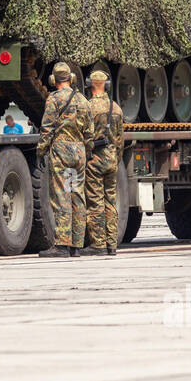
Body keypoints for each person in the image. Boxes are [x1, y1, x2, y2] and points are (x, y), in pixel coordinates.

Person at [36, 62, 93, 258]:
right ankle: (76, 245)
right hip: (79, 152)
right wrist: (86, 149)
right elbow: (90, 132)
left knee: (61, 196)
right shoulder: (83, 100)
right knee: (77, 195)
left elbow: (47, 128)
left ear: (53, 80)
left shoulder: (53, 99)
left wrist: (41, 151)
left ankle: (61, 244)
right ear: (71, 78)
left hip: (60, 151)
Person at [80, 70, 124, 256]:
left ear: (91, 85)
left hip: (95, 160)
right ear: (106, 85)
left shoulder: (88, 107)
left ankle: (98, 244)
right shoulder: (116, 108)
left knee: (95, 201)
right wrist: (116, 158)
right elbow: (120, 140)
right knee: (111, 201)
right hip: (112, 159)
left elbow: (83, 136)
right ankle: (112, 244)